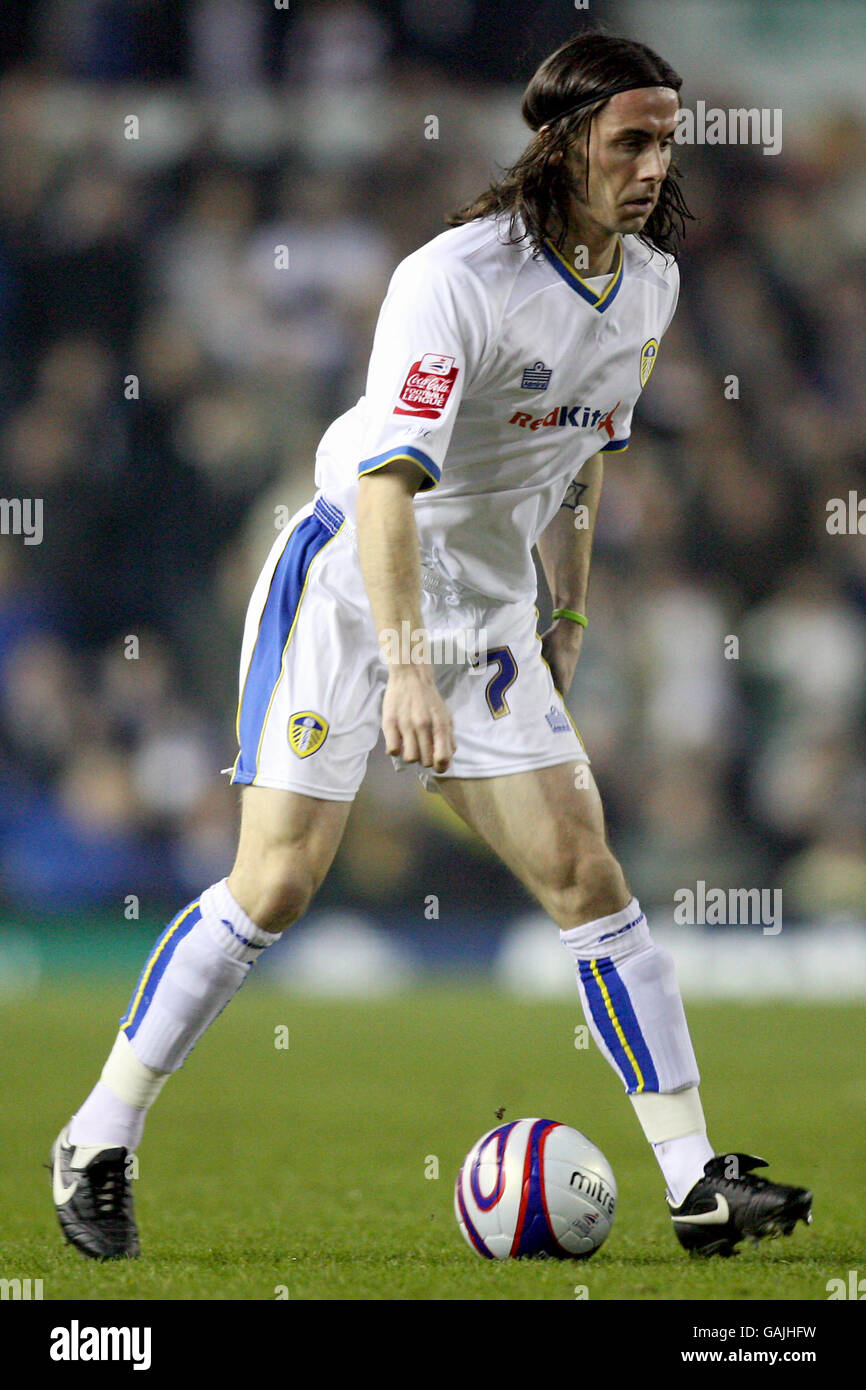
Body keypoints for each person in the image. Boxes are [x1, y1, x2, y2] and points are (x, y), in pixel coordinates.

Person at [51, 31, 811, 1262]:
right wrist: (407, 663)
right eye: (631, 139)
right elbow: (389, 489)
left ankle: (694, 1180)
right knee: (277, 885)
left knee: (582, 870)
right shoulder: (451, 278)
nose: (654, 163)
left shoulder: (653, 285)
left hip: (488, 610)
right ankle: (98, 1133)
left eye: (666, 138)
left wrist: (561, 617)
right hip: (355, 586)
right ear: (563, 143)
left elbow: (580, 464)